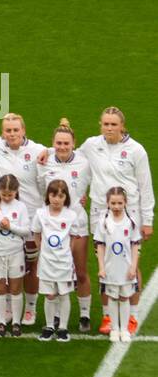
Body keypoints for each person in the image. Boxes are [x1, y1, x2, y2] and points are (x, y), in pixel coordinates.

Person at [78, 107, 150, 336]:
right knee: (106, 263)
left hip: (129, 213)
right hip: (100, 213)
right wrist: (45, 154)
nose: (109, 128)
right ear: (100, 124)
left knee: (131, 264)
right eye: (105, 124)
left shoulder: (136, 150)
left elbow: (145, 187)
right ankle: (109, 315)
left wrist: (147, 220)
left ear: (122, 126)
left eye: (113, 125)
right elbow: (70, 156)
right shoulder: (91, 145)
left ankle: (132, 316)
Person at [0, 113, 46, 326]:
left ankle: (30, 308)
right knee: (5, 264)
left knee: (30, 266)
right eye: (8, 130)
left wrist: (50, 150)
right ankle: (8, 307)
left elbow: (59, 152)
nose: (12, 134)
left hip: (28, 220)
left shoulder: (37, 151)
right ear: (2, 132)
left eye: (16, 130)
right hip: (1, 221)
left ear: (23, 130)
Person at [37, 118, 93, 331]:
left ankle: (85, 314)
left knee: (79, 271)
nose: (62, 147)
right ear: (53, 144)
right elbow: (40, 189)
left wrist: (84, 196)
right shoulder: (43, 161)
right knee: (55, 272)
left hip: (76, 223)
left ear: (73, 144)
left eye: (66, 143)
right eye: (58, 143)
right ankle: (57, 317)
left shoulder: (85, 161)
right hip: (52, 226)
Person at [0, 175, 31, 337]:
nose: (7, 197)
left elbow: (26, 231)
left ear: (16, 192)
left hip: (16, 253)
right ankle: (1, 321)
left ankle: (16, 322)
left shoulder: (21, 207)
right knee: (0, 288)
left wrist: (11, 226)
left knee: (16, 288)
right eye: (4, 194)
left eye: (10, 194)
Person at [31, 179, 79, 342]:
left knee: (64, 295)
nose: (57, 199)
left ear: (66, 197)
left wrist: (66, 254)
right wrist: (43, 250)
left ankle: (63, 328)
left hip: (64, 263)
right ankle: (49, 325)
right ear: (48, 196)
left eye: (61, 195)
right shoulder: (41, 214)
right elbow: (36, 234)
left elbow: (73, 238)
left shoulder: (71, 216)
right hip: (46, 263)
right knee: (50, 295)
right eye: (53, 195)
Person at [95, 187, 141, 343]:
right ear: (107, 203)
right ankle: (114, 329)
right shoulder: (103, 222)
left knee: (124, 297)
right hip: (110, 268)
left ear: (125, 203)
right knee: (112, 298)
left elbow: (135, 245)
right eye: (113, 203)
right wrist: (101, 267)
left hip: (126, 268)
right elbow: (100, 245)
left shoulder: (131, 222)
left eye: (119, 203)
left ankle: (124, 329)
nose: (116, 206)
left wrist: (133, 266)